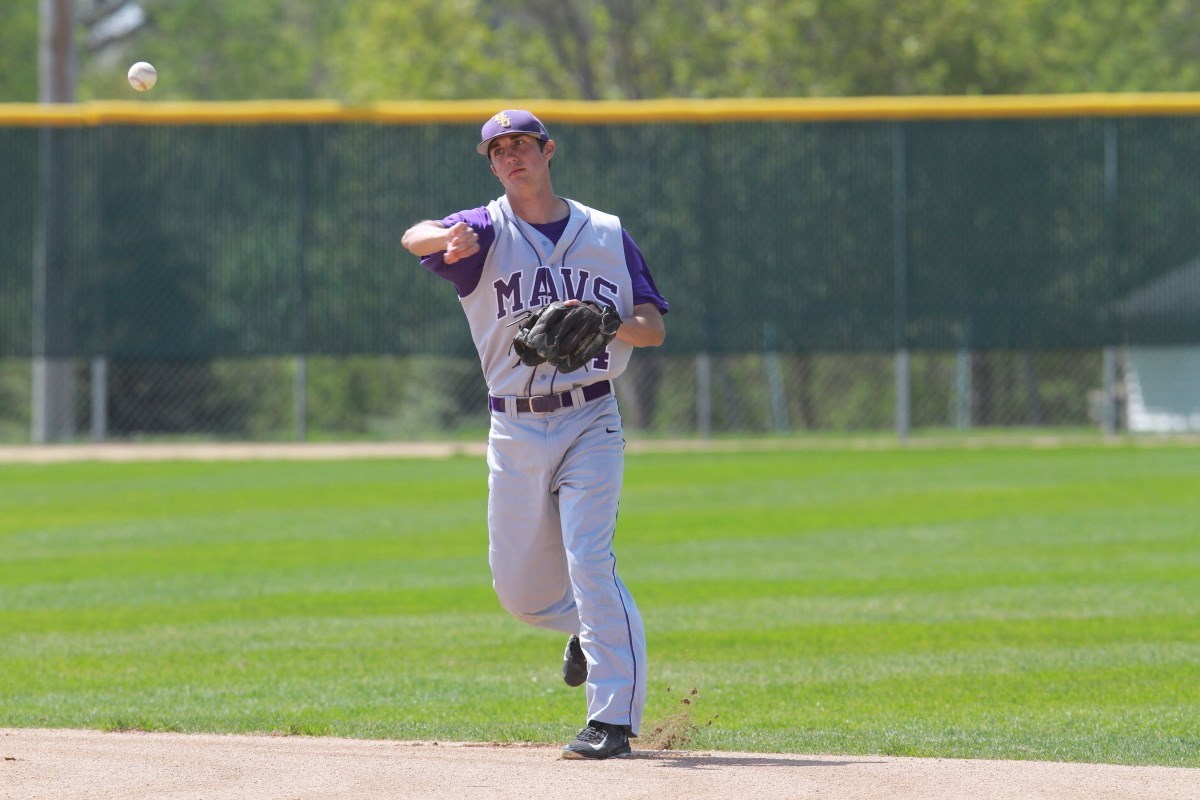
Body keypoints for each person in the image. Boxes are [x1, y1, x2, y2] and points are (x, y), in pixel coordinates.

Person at [401, 109, 669, 760]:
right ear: (489, 162)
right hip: (515, 426)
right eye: (498, 150)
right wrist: (447, 243)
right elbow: (414, 236)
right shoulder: (484, 231)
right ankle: (589, 629)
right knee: (520, 595)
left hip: (591, 418)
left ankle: (612, 722)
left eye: (521, 144)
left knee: (589, 560)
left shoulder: (604, 232)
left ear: (548, 150)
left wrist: (611, 322)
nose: (511, 156)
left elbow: (652, 328)